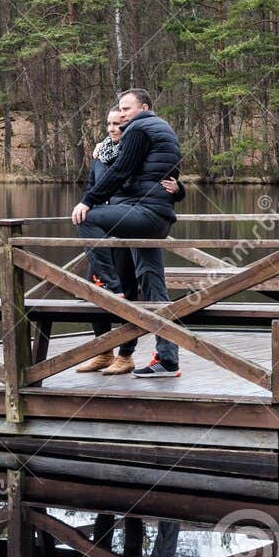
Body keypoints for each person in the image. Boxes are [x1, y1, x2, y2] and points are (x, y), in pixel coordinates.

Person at [71, 88, 183, 378]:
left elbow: (125, 174)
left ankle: (112, 293)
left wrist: (87, 202)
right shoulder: (151, 132)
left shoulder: (139, 132)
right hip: (136, 222)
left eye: (125, 111)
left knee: (89, 221)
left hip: (138, 218)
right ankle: (166, 360)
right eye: (116, 114)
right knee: (153, 289)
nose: (120, 118)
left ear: (143, 108)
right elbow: (159, 172)